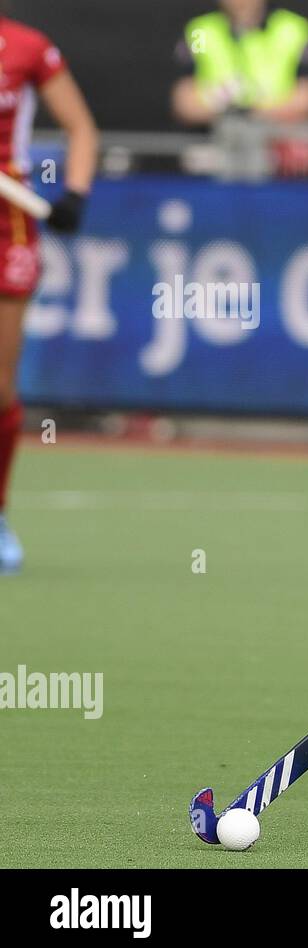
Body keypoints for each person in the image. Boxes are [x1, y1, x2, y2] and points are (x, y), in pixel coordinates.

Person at [0, 12, 98, 574]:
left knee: (1, 385)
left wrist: (76, 194)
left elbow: (81, 127)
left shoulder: (27, 47)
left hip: (9, 221)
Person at [172, 0, 308, 176]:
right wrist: (227, 108)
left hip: (275, 140)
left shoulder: (292, 28)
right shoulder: (200, 31)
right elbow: (185, 102)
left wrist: (253, 110)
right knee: (200, 158)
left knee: (301, 153)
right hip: (214, 139)